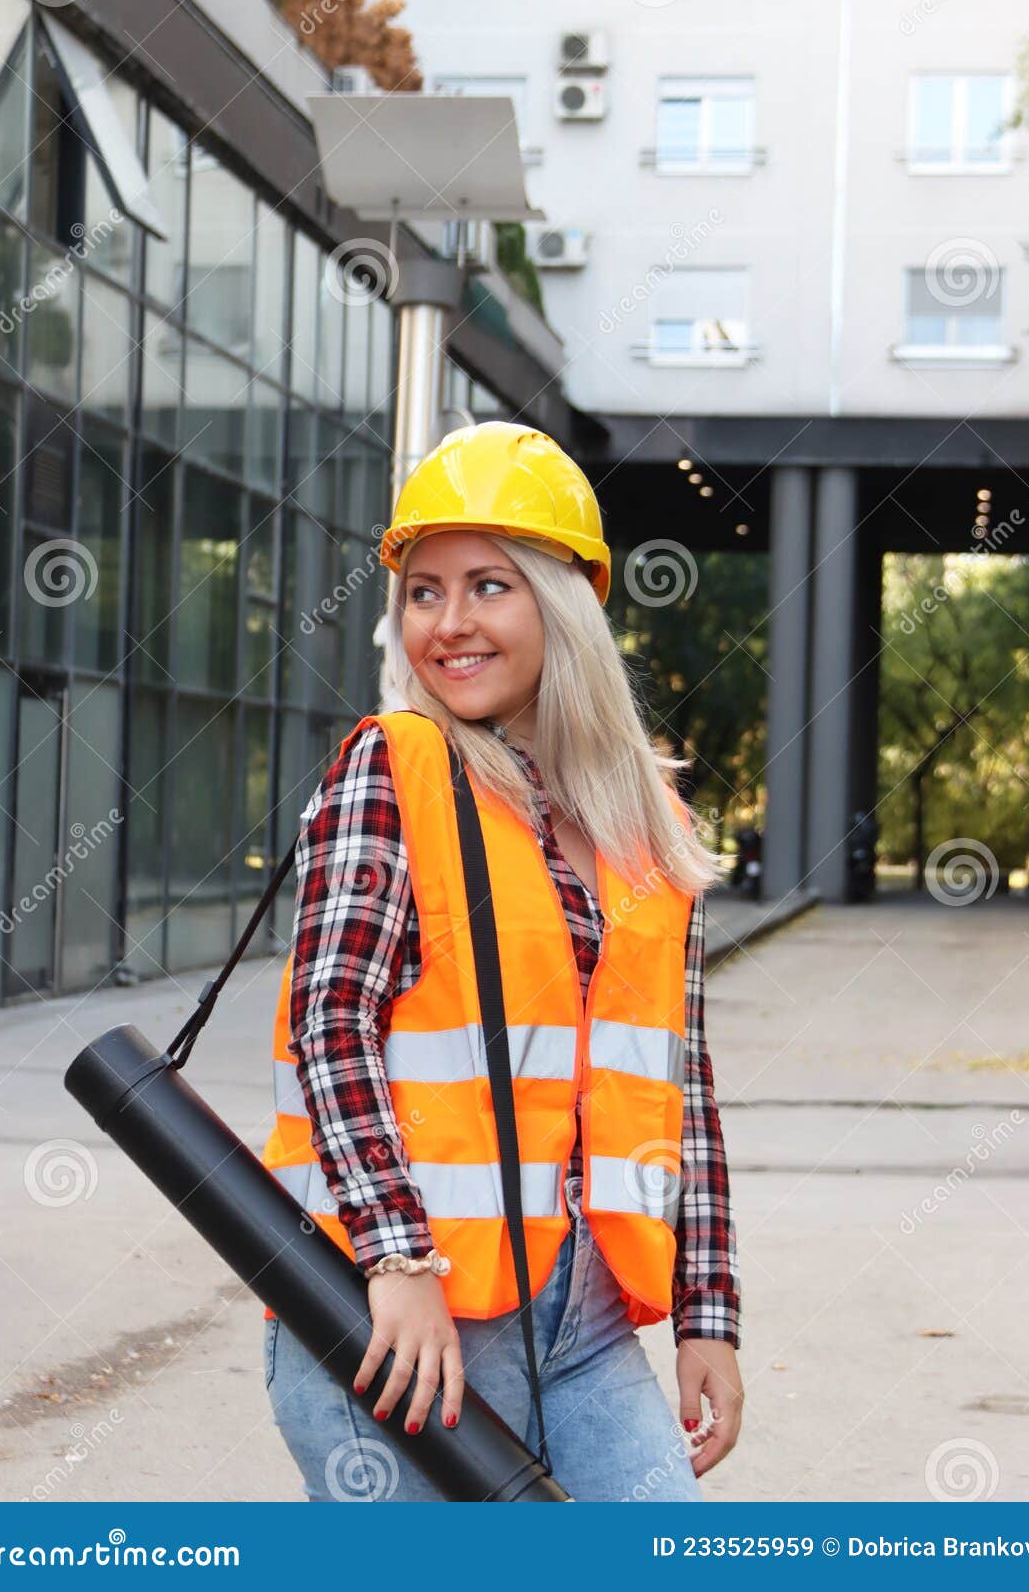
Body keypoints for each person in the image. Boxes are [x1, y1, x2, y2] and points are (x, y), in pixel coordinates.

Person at [260, 421, 743, 1502]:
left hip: (583, 1321)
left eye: (488, 585)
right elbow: (330, 1023)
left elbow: (680, 1084)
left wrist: (705, 1309)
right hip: (397, 1322)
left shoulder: (646, 822)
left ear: (562, 604)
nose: (449, 624)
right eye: (423, 592)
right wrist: (396, 1258)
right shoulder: (397, 768)